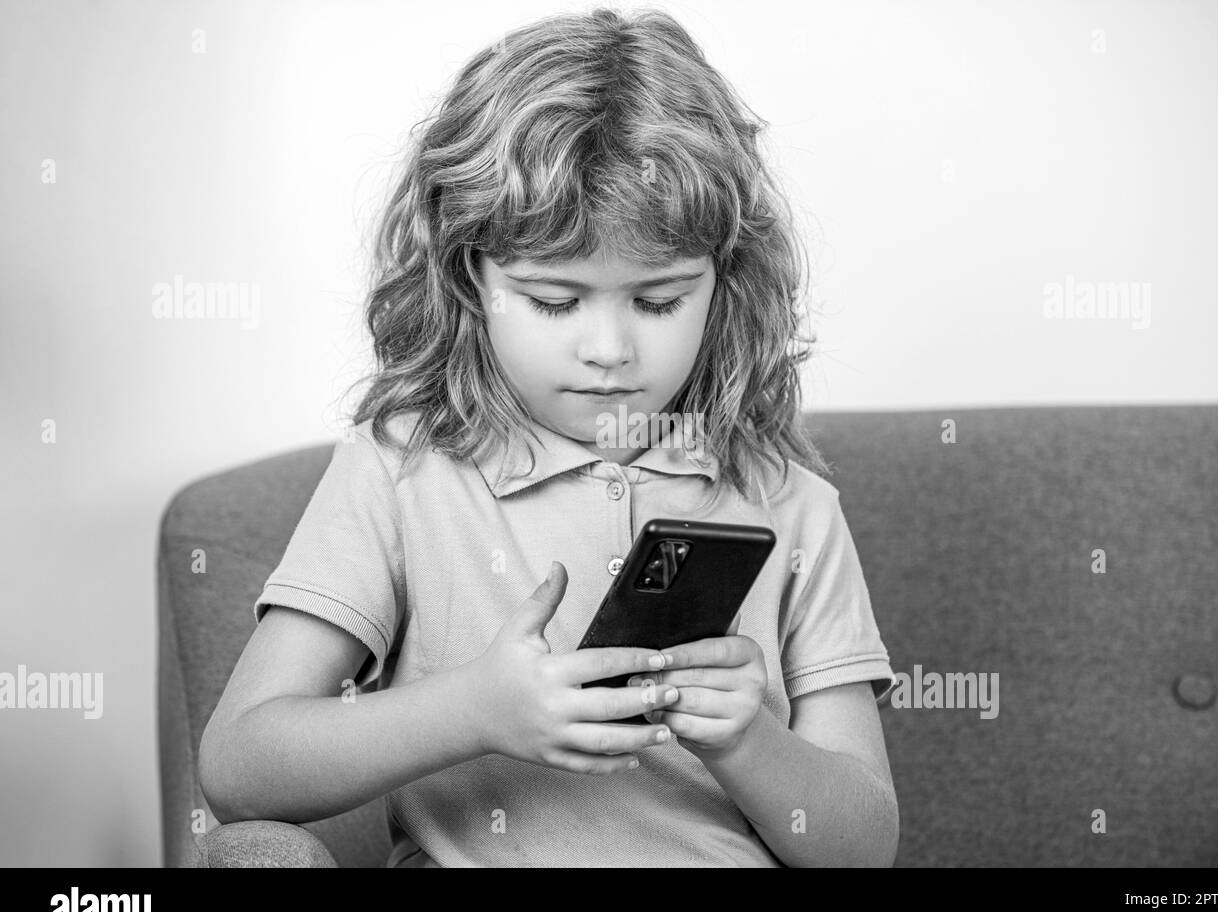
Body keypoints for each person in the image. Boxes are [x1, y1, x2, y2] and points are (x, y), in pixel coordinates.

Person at [198, 6, 899, 867]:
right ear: (467, 277)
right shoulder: (402, 472)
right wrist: (474, 710)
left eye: (659, 300)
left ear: (726, 283)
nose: (609, 350)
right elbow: (237, 764)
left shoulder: (792, 503)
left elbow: (864, 847)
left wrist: (749, 740)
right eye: (554, 302)